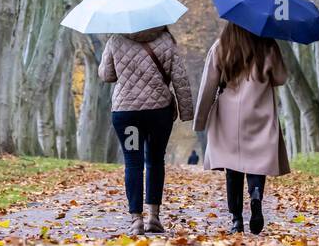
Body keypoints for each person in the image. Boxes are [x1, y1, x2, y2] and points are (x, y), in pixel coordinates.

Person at [193, 21, 290, 233]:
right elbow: (281, 78)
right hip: (259, 112)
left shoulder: (221, 46)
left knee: (233, 168)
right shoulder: (267, 46)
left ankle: (236, 218)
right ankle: (255, 195)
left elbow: (208, 84)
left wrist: (200, 119)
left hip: (228, 115)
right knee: (257, 162)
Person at [99, 25, 194, 234]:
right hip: (158, 113)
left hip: (127, 114)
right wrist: (187, 112)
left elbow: (107, 75)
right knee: (154, 160)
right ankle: (153, 217)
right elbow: (180, 78)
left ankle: (136, 220)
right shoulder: (166, 40)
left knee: (133, 162)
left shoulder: (116, 39)